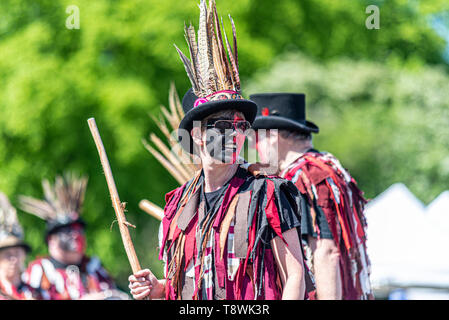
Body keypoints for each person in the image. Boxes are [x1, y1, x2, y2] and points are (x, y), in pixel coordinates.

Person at [128, 0, 312, 300]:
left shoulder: (268, 193)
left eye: (241, 126)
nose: (236, 133)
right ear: (199, 134)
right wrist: (157, 288)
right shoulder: (177, 205)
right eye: (224, 125)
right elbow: (185, 286)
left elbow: (295, 276)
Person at [250, 93, 373, 300]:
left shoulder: (306, 176)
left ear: (272, 136)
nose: (255, 147)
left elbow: (327, 252)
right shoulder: (330, 169)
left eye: (258, 138)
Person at [19, 172, 127, 300]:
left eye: (79, 230)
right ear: (51, 240)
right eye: (67, 231)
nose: (75, 235)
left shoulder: (94, 267)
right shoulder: (39, 270)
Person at [0, 192, 40, 300]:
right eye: (7, 254)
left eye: (17, 253)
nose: (13, 259)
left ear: (24, 256)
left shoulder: (36, 292)